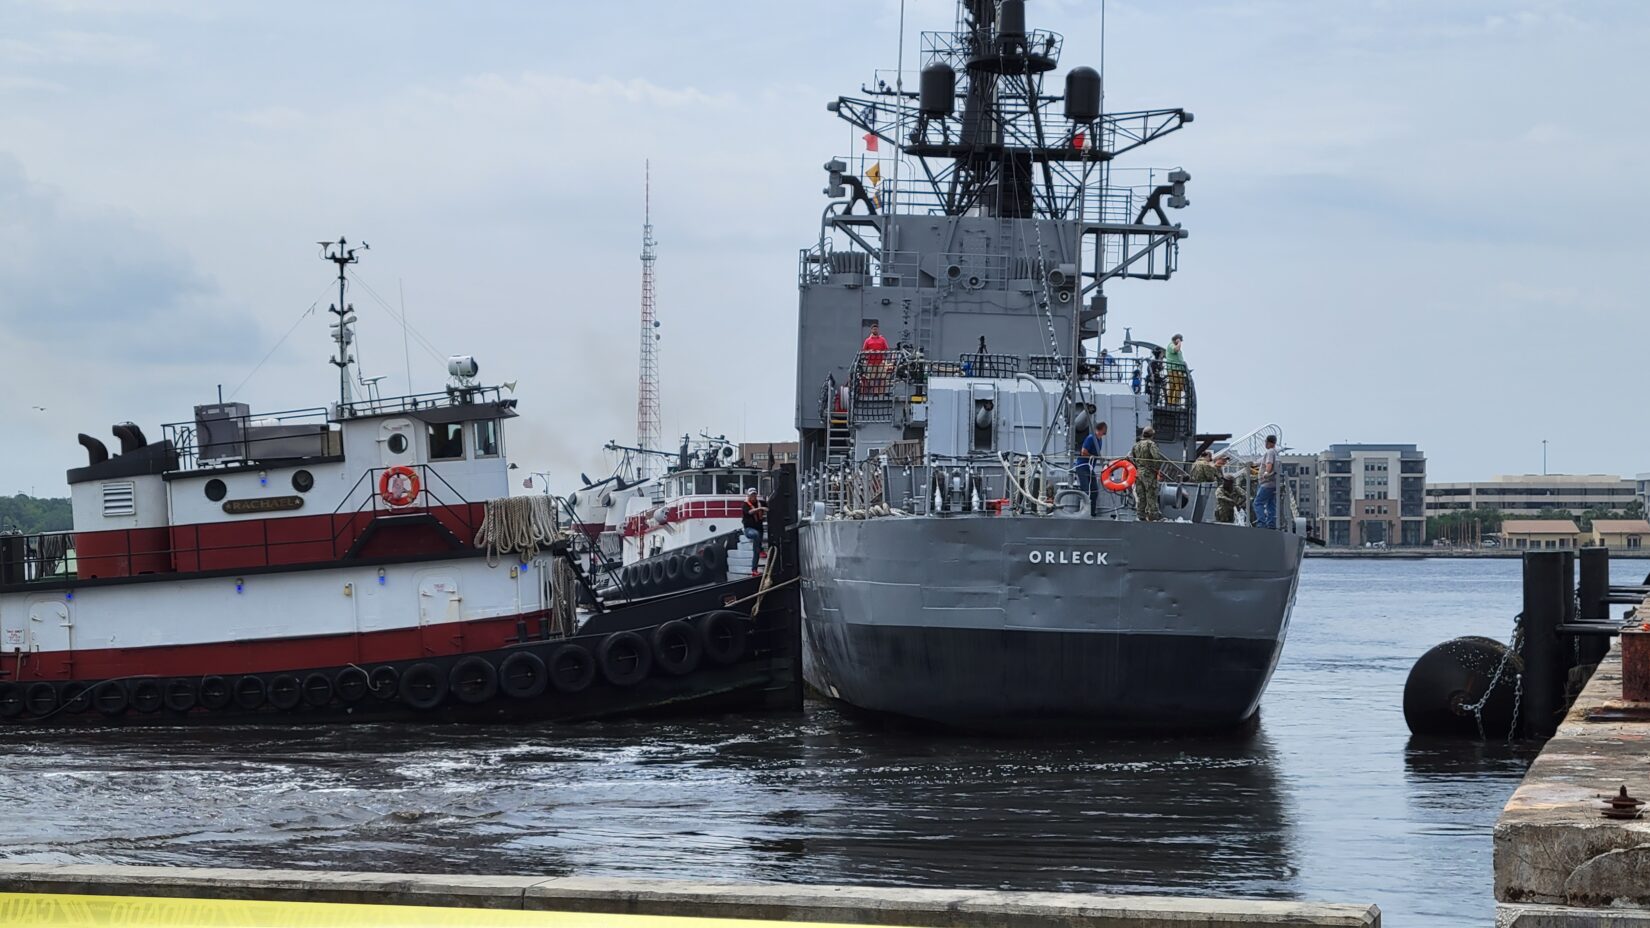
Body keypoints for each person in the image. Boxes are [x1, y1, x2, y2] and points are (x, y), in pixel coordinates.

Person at [1130, 426, 1166, 522]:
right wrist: (1156, 469)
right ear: (1152, 435)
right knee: (1151, 494)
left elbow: (1132, 458)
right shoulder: (1151, 444)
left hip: (1138, 473)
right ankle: (1154, 515)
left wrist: (1139, 467)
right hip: (1149, 473)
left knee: (1141, 495)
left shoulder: (1136, 445)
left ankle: (1141, 515)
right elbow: (1157, 458)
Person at [1075, 420, 1108, 514]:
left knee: (1094, 490)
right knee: (1085, 490)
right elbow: (1083, 452)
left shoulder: (1099, 439)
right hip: (1082, 467)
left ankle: (1092, 512)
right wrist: (1092, 456)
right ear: (1102, 429)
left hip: (1090, 468)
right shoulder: (1091, 438)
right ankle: (1083, 512)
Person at [1254, 434, 1279, 529]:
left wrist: (1266, 473)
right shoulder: (1275, 452)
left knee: (1257, 503)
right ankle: (1271, 524)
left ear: (1268, 442)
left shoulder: (1270, 452)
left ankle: (1261, 523)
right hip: (1273, 484)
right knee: (1270, 504)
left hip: (1267, 483)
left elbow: (1269, 464)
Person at [741, 489, 767, 575]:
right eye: (752, 495)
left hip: (759, 529)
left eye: (754, 494)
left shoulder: (761, 502)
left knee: (756, 549)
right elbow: (750, 512)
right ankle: (761, 550)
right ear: (748, 496)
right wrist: (760, 508)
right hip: (749, 529)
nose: (753, 496)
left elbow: (769, 506)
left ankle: (754, 570)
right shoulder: (745, 504)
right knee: (756, 535)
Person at [1165, 334, 1187, 406]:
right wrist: (1179, 342)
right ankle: (1174, 403)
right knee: (1178, 386)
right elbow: (1176, 349)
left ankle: (1171, 402)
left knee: (1174, 386)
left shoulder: (1174, 345)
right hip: (1174, 369)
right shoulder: (1171, 345)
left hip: (1177, 369)